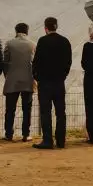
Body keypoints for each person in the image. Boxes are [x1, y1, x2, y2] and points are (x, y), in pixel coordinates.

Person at [31, 17, 72, 150]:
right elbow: (68, 62)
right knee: (61, 112)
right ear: (56, 26)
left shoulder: (43, 41)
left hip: (45, 82)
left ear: (45, 28)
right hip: (59, 82)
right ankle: (61, 141)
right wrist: (63, 75)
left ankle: (48, 141)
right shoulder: (65, 41)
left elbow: (36, 62)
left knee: (45, 112)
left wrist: (36, 77)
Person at [2, 22, 35, 142]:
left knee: (10, 109)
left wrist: (8, 75)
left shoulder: (9, 44)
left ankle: (8, 134)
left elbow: (5, 63)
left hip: (12, 80)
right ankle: (26, 134)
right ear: (27, 31)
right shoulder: (32, 44)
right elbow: (35, 63)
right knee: (27, 109)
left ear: (16, 31)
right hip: (28, 80)